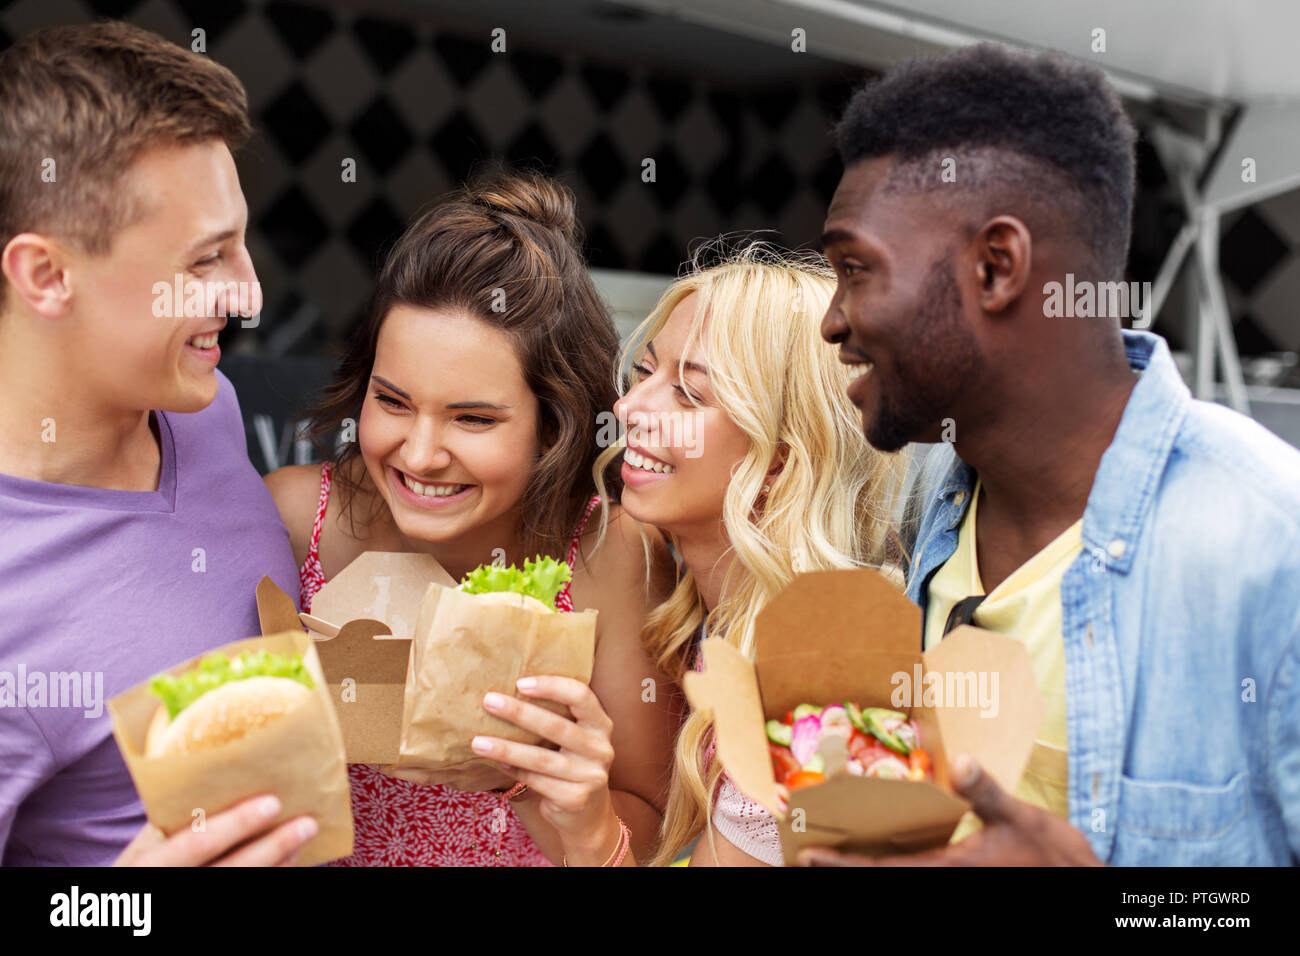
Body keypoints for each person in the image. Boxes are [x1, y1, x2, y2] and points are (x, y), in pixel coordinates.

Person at [808, 43, 1300, 866]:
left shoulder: (1270, 547)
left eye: (855, 269)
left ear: (996, 267)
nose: (832, 321)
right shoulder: (918, 510)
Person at [264, 168, 681, 867]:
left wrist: (528, 779)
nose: (420, 455)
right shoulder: (294, 516)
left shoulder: (612, 554)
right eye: (392, 402)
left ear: (556, 425)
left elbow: (653, 825)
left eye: (473, 419)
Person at [0, 22, 316, 865]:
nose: (249, 296)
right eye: (207, 260)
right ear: (47, 275)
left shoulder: (203, 409)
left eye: (241, 245)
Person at [569, 243, 907, 865]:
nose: (629, 409)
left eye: (689, 395)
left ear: (779, 459)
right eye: (645, 372)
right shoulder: (723, 615)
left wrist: (587, 826)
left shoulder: (809, 693)